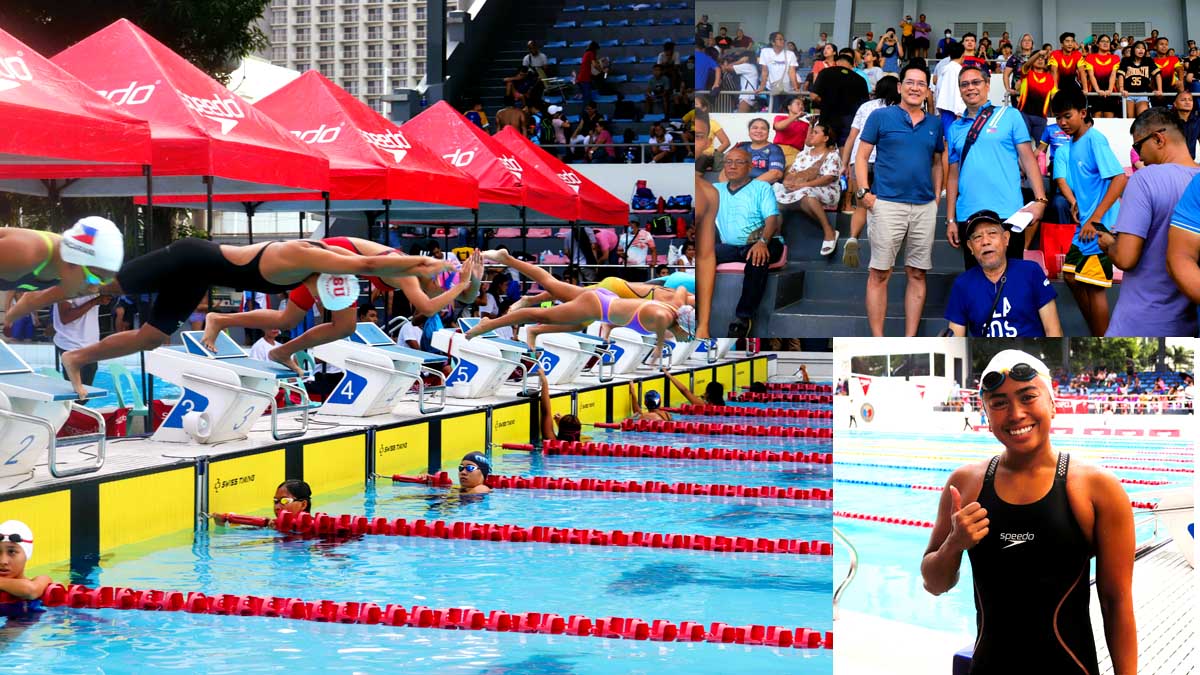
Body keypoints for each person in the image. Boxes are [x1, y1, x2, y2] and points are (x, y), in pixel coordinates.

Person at [920, 350, 1135, 675]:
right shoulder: (964, 484)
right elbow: (934, 584)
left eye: (1028, 397)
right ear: (986, 415)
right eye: (999, 403)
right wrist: (954, 543)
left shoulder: (1097, 488)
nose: (1016, 413)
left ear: (1053, 403)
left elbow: (1116, 602)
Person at [47, 238, 451, 398]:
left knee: (151, 337)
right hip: (187, 258)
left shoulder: (321, 269)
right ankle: (39, 277)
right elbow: (367, 263)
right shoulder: (302, 255)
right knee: (104, 284)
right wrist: (423, 264)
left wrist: (444, 277)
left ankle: (76, 358)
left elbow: (362, 271)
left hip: (198, 276)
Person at [199, 239, 477, 375]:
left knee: (287, 319)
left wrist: (468, 282)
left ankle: (224, 322)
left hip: (335, 258)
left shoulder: (414, 272)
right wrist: (461, 285)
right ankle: (279, 349)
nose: (440, 288)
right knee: (345, 326)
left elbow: (448, 298)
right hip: (333, 259)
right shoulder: (408, 273)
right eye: (439, 284)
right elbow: (428, 308)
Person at [855, 60, 945, 337]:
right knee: (880, 273)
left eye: (921, 84)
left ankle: (910, 338)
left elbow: (938, 162)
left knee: (917, 273)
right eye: (910, 82)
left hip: (924, 206)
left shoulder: (934, 123)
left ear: (927, 90)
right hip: (886, 203)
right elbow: (861, 156)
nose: (915, 88)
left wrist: (936, 197)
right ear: (899, 86)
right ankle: (878, 340)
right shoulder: (880, 116)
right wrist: (864, 193)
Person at [1098, 108, 1199, 336]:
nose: (1138, 156)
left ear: (1158, 139)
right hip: (1189, 323)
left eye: (1138, 147)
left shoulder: (1144, 179)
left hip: (1141, 320)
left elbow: (1126, 258)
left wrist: (1108, 244)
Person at [945, 65, 1048, 269]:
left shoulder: (1009, 115)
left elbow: (1028, 159)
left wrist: (1040, 200)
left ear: (987, 85)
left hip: (1008, 213)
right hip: (968, 215)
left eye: (976, 82)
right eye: (964, 84)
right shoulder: (955, 128)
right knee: (977, 280)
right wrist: (950, 219)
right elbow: (953, 175)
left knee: (1013, 279)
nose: (970, 88)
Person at [1052, 88, 1126, 336]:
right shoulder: (1072, 143)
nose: (1062, 122)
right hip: (1084, 224)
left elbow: (1119, 179)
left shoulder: (1095, 139)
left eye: (1067, 116)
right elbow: (1088, 185)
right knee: (1071, 276)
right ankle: (1096, 330)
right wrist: (1078, 205)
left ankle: (1102, 336)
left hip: (1098, 226)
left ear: (1083, 113)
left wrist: (1094, 218)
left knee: (1094, 288)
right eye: (1058, 118)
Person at [944, 210, 1062, 337]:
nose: (985, 241)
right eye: (977, 237)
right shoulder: (963, 284)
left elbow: (1053, 330)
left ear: (1006, 238)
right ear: (970, 247)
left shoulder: (1031, 271)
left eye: (992, 233)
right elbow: (955, 338)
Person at [710, 146, 785, 338]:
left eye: (739, 162)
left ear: (750, 166)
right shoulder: (716, 190)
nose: (732, 166)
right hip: (731, 247)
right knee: (705, 255)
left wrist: (762, 241)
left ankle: (743, 318)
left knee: (757, 257)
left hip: (764, 242)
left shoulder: (761, 187)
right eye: (728, 162)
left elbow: (772, 219)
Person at [1, 217, 124, 330]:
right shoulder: (23, 254)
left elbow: (35, 300)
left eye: (103, 281)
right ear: (73, 259)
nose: (94, 289)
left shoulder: (70, 274)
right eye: (93, 278)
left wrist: (10, 318)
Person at [842, 76, 900, 268]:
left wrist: (845, 163)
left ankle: (853, 237)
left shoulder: (865, 107)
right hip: (885, 160)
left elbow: (851, 137)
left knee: (861, 205)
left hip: (859, 159)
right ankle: (884, 247)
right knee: (886, 204)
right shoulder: (898, 108)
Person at [774, 116, 843, 255]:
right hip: (801, 188)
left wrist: (803, 185)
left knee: (806, 193)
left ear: (825, 138)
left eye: (815, 132)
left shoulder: (832, 155)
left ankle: (829, 231)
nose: (811, 134)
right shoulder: (802, 154)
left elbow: (828, 178)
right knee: (774, 191)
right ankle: (776, 235)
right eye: (811, 132)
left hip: (826, 190)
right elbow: (792, 172)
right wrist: (788, 182)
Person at [810, 51, 870, 147]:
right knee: (844, 146)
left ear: (836, 62)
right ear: (852, 65)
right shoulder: (860, 79)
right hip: (849, 120)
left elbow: (813, 96)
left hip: (827, 117)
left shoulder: (825, 72)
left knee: (827, 145)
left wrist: (825, 103)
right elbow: (865, 105)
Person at [694, 111, 718, 339]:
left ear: (708, 143)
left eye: (699, 136)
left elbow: (706, 257)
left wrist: (704, 324)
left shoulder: (709, 193)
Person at [51, 292, 108, 388]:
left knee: (86, 390)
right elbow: (65, 317)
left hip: (90, 345)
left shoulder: (93, 286)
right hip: (72, 344)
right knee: (76, 391)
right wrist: (95, 301)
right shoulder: (67, 287)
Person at [213, 479, 312, 527]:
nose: (277, 507)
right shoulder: (270, 526)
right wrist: (222, 521)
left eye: (284, 501)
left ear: (303, 504)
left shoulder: (317, 529)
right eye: (275, 501)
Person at [0, 521, 51, 612]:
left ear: (27, 555)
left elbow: (30, 590)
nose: (3, 561)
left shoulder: (41, 580)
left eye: (12, 552)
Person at [732, 118, 785, 183]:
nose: (759, 131)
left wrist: (750, 186)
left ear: (768, 132)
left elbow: (776, 173)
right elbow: (727, 170)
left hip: (762, 186)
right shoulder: (742, 148)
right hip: (738, 184)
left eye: (763, 128)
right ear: (749, 132)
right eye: (755, 128)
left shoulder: (774, 149)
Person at [1117, 41, 1162, 118]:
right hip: (1128, 94)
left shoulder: (1148, 60)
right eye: (1138, 48)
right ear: (1133, 49)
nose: (1141, 50)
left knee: (1142, 117)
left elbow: (1157, 75)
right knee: (1129, 117)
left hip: (1142, 94)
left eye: (1143, 48)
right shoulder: (1126, 60)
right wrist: (1121, 89)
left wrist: (1159, 89)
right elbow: (1121, 75)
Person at [757, 32, 800, 110]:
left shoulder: (790, 54)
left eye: (783, 39)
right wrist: (762, 87)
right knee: (774, 111)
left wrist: (795, 87)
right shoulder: (765, 52)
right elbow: (764, 71)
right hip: (772, 88)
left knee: (789, 112)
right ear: (772, 42)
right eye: (780, 39)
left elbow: (792, 72)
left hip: (788, 89)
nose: (782, 41)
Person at [537, 370, 582, 442]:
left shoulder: (552, 442)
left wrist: (544, 381)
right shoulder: (583, 445)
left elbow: (546, 413)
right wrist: (561, 424)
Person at [772, 96, 811, 169]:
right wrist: (796, 116)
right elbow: (778, 127)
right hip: (778, 150)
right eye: (798, 104)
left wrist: (812, 125)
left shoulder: (806, 125)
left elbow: (809, 143)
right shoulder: (780, 118)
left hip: (795, 153)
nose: (801, 106)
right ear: (789, 107)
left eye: (802, 105)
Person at [1004, 34, 1036, 107]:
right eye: (1024, 40)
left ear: (1032, 43)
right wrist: (1008, 89)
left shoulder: (1036, 56)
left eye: (1029, 40)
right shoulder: (1014, 58)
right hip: (1018, 93)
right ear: (1020, 43)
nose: (1027, 42)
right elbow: (1006, 75)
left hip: (1034, 92)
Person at [1173, 89, 1200, 158]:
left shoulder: (1197, 121)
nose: (1187, 102)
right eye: (1183, 100)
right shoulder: (1168, 120)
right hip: (1171, 161)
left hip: (1190, 161)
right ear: (1175, 104)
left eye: (1190, 100)